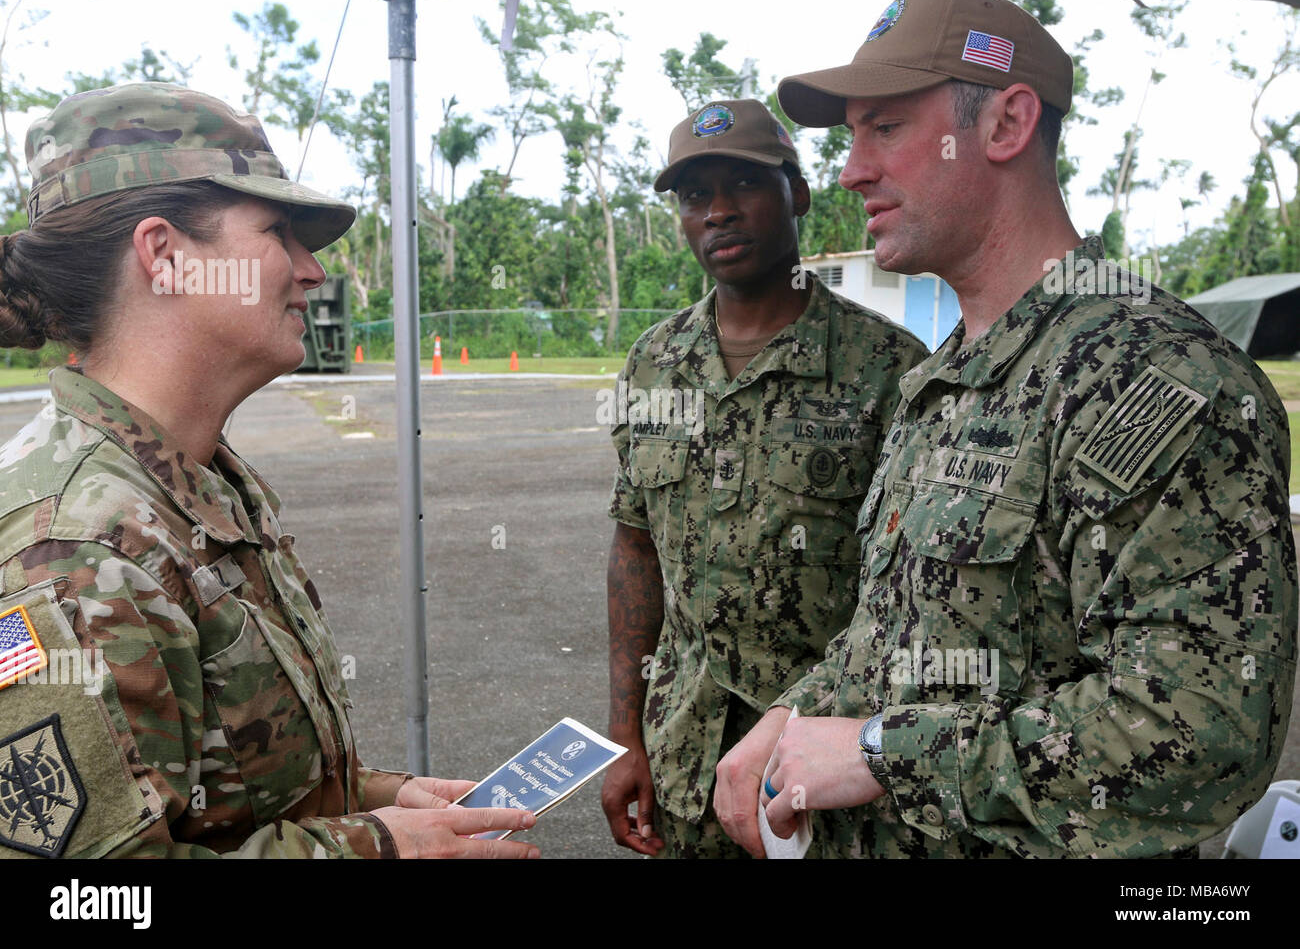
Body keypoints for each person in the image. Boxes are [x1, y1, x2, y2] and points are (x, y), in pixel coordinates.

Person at [715, 0, 1298, 858]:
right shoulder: (944, 380)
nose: (848, 169)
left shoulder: (1158, 379)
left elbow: (1204, 730)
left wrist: (882, 752)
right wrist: (801, 714)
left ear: (1005, 124)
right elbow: (902, 634)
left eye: (885, 128)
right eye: (849, 136)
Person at [0, 82, 538, 859]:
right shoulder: (74, 548)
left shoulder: (196, 475)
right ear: (166, 255)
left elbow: (229, 794)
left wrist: (381, 801)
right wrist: (375, 851)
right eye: (279, 232)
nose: (311, 270)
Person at [601, 98, 927, 857]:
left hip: (829, 774)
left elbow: (917, 595)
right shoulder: (655, 363)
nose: (716, 212)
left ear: (797, 193)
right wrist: (623, 735)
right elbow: (633, 549)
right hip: (686, 761)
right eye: (692, 196)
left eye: (742, 184)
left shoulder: (890, 370)